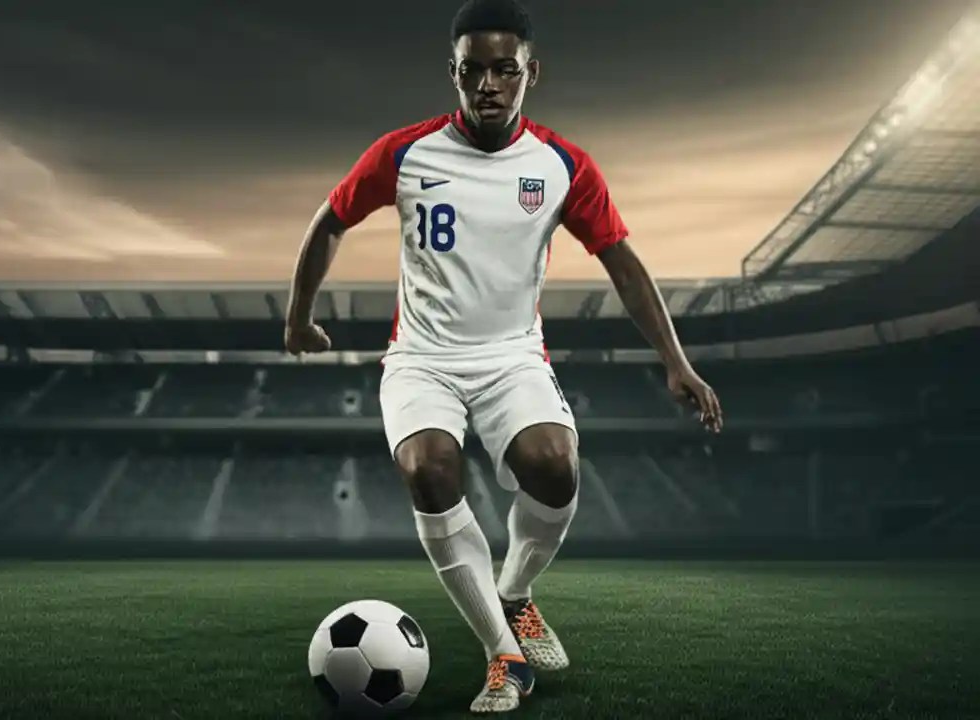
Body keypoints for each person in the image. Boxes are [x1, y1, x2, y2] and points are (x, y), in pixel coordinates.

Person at [284, 0, 723, 712]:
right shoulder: (404, 153)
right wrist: (299, 318)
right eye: (473, 70)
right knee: (427, 467)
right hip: (423, 357)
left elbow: (623, 262)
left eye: (504, 70)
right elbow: (330, 221)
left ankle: (515, 592)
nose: (488, 84)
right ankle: (504, 655)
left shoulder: (561, 165)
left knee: (554, 467)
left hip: (511, 358)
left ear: (531, 73)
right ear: (452, 72)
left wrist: (677, 360)